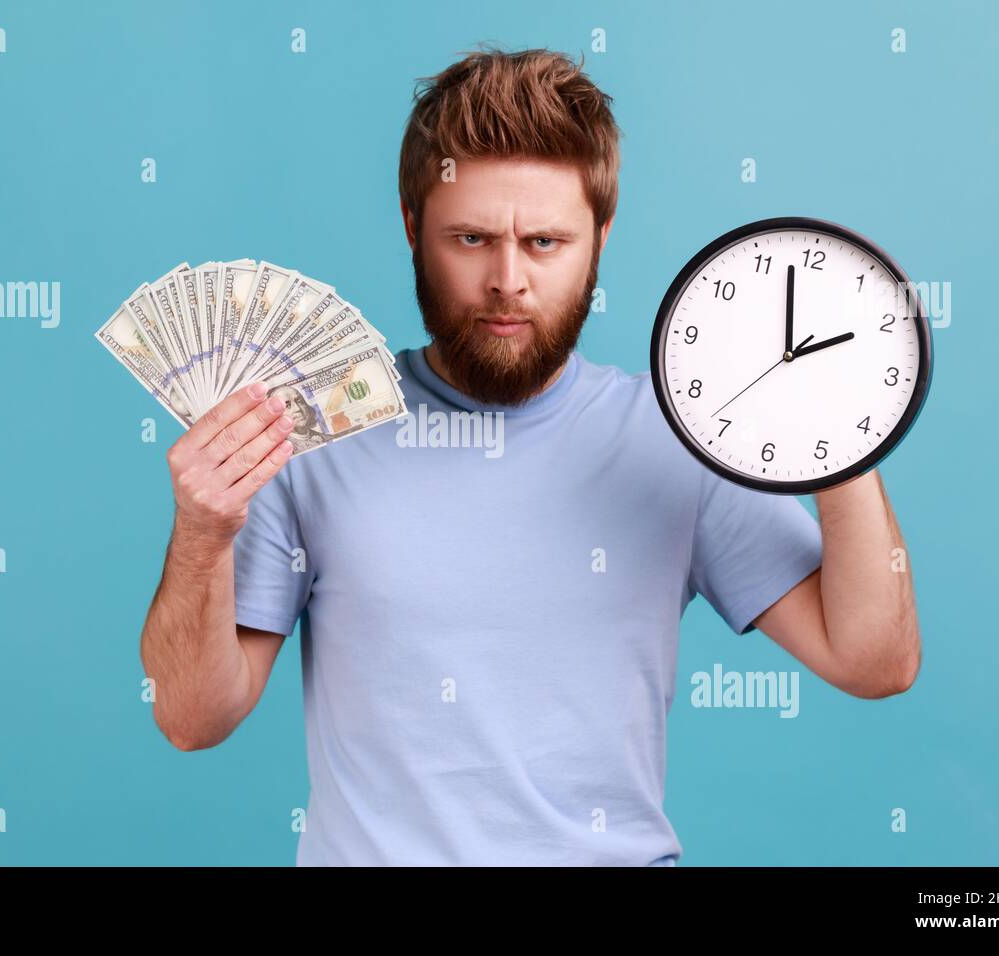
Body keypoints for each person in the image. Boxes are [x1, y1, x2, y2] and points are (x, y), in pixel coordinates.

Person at [139, 47, 921, 866]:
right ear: (412, 227)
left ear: (600, 239)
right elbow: (191, 719)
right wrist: (201, 532)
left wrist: (840, 435)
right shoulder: (307, 436)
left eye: (545, 242)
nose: (507, 280)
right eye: (471, 237)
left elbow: (873, 661)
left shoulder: (675, 440)